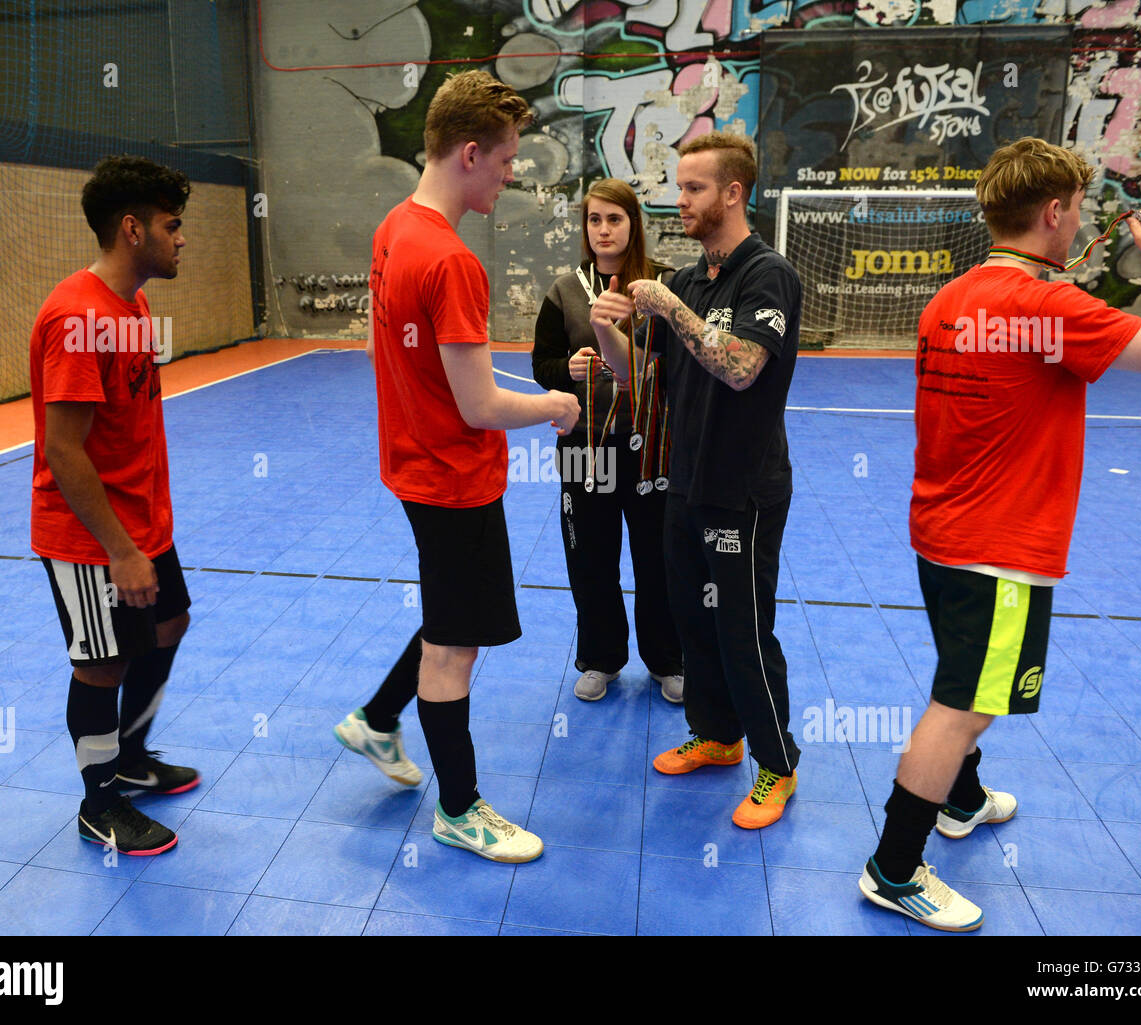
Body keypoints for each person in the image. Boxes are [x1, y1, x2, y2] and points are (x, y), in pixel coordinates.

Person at [856, 136, 1141, 931]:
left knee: (965, 672)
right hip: (1000, 546)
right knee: (967, 702)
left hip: (942, 529)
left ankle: (962, 797)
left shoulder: (951, 298)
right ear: (1055, 213)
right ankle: (894, 865)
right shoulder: (1045, 308)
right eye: (1076, 211)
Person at [333, 70, 580, 864]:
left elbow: (426, 369)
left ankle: (375, 719)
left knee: (451, 612)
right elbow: (479, 406)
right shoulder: (451, 262)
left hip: (415, 464)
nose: (511, 175)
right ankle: (460, 808)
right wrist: (554, 404)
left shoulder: (394, 229)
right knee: (456, 645)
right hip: (452, 475)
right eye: (506, 161)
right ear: (470, 153)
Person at [589, 132, 804, 830]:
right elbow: (636, 374)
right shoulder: (687, 280)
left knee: (743, 630)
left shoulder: (764, 274)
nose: (678, 201)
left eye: (694, 188)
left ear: (732, 193)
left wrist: (666, 306)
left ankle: (778, 763)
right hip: (683, 481)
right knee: (695, 622)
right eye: (678, 187)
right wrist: (606, 331)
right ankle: (717, 734)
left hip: (743, 489)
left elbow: (741, 365)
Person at [31, 155, 198, 857]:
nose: (181, 237)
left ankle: (130, 755)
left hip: (140, 521)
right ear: (132, 229)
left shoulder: (131, 303)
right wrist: (121, 550)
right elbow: (65, 450)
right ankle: (99, 804)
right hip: (89, 535)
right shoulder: (78, 317)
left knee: (169, 622)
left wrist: (148, 530)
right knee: (101, 664)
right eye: (172, 224)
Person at [531, 178, 683, 704]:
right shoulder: (565, 290)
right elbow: (540, 365)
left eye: (613, 219)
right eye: (594, 220)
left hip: (651, 446)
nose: (603, 230)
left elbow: (682, 361)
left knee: (658, 559)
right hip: (584, 448)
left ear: (633, 225)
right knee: (590, 561)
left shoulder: (664, 286)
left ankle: (668, 660)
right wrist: (564, 370)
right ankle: (600, 658)